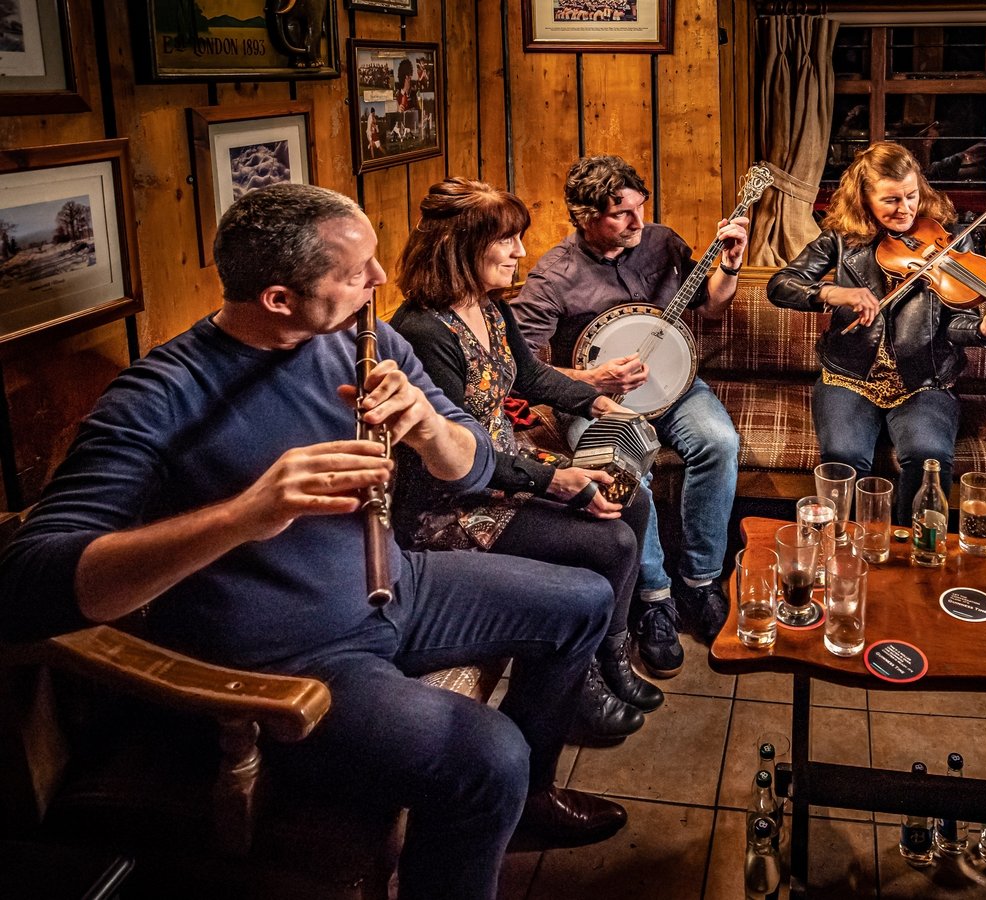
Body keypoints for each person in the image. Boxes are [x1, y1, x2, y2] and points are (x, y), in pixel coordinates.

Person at [0, 184, 627, 900]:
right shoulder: (159, 394)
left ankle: (530, 804)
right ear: (277, 299)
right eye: (357, 269)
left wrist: (426, 423)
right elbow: (25, 585)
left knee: (584, 599)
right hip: (292, 656)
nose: (382, 280)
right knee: (487, 756)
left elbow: (473, 463)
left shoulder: (364, 338)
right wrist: (242, 514)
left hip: (397, 585)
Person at [390, 177, 662, 743]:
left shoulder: (488, 307)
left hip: (506, 464)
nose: (520, 252)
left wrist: (595, 398)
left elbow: (530, 375)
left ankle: (612, 654)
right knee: (608, 541)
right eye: (508, 241)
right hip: (451, 502)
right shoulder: (421, 332)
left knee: (629, 500)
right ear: (461, 247)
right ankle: (581, 679)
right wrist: (553, 478)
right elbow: (453, 461)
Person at [510, 155, 747, 669]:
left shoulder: (662, 242)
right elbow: (519, 367)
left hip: (676, 385)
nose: (639, 222)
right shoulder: (554, 275)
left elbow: (710, 308)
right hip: (598, 398)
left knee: (720, 442)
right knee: (624, 474)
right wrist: (592, 380)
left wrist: (728, 265)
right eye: (621, 214)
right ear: (585, 215)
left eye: (641, 208)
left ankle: (700, 581)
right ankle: (654, 597)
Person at [766, 141, 986, 523]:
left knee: (927, 458)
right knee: (844, 458)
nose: (905, 209)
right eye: (890, 200)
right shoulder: (838, 239)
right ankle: (846, 550)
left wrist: (985, 329)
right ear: (864, 199)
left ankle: (910, 555)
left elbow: (952, 322)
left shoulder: (948, 239)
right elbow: (781, 285)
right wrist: (833, 291)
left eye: (912, 196)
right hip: (849, 376)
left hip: (924, 379)